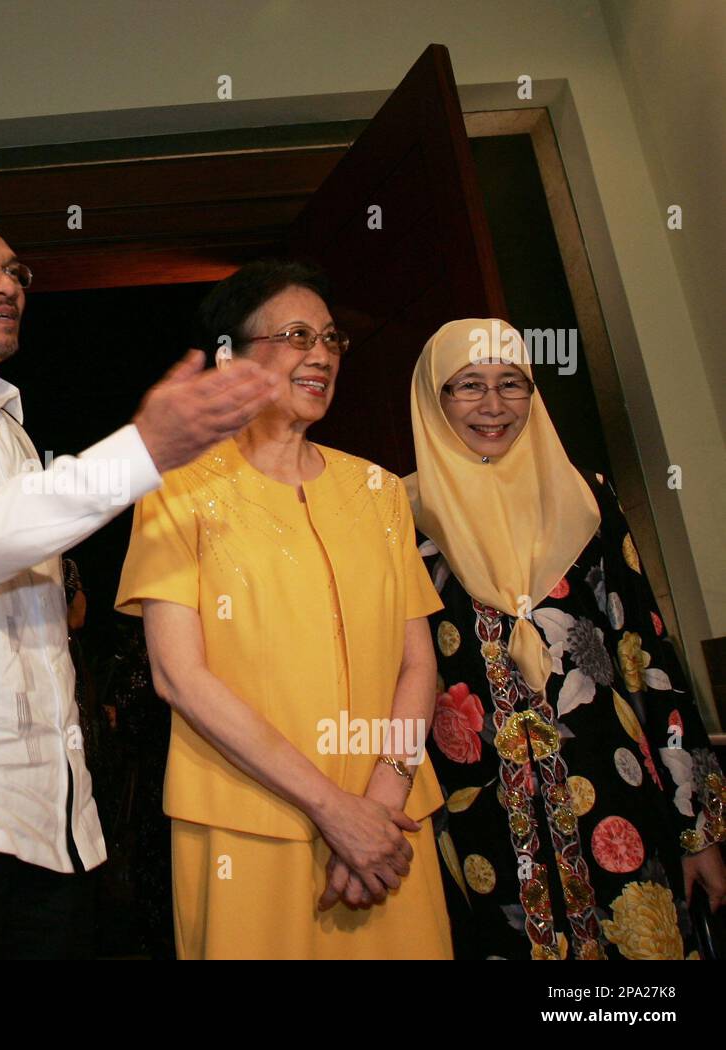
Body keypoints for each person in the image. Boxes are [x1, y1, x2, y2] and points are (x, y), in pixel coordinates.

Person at [0, 204, 278, 959]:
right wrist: (142, 450)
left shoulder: (13, 434)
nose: (9, 285)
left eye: (17, 271)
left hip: (57, 828)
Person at [114, 259, 453, 959]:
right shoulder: (177, 489)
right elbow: (180, 676)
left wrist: (380, 807)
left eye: (331, 340)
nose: (321, 355)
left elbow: (418, 664)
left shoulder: (381, 492)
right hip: (247, 823)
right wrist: (333, 811)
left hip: (389, 834)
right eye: (297, 336)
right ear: (232, 358)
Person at [407, 317, 726, 960]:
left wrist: (699, 832)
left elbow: (645, 658)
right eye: (468, 385)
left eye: (512, 383)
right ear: (432, 399)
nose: (493, 406)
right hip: (483, 821)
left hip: (619, 795)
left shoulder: (586, 500)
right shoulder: (397, 521)